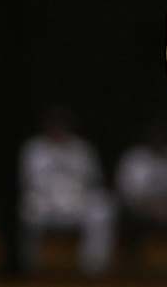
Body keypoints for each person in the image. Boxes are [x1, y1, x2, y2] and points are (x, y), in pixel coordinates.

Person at [18, 106, 117, 276]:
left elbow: (95, 181)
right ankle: (30, 267)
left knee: (102, 209)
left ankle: (93, 268)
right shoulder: (34, 149)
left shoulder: (83, 149)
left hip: (77, 201)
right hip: (45, 202)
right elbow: (26, 182)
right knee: (28, 210)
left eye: (61, 125)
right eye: (54, 124)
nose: (58, 129)